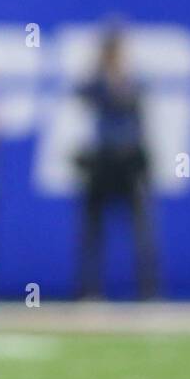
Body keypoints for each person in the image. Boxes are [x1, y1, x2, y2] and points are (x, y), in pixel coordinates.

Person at [74, 27, 159, 299]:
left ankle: (148, 289)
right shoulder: (97, 81)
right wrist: (100, 73)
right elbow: (81, 93)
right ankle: (89, 290)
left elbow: (133, 108)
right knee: (92, 228)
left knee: (140, 228)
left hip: (128, 160)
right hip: (103, 159)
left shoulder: (131, 81)